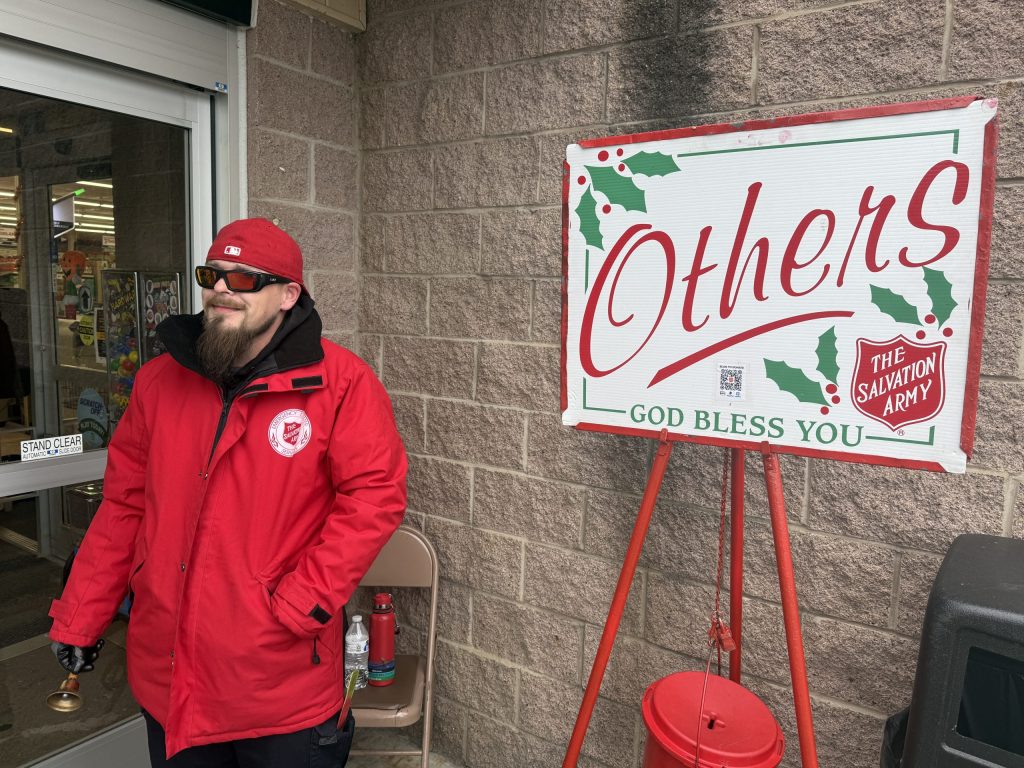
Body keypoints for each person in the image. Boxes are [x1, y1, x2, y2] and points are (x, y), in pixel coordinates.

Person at [48, 218, 408, 767]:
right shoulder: (159, 381)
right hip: (169, 680)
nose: (221, 289)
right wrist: (80, 615)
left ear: (288, 295)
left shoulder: (341, 384)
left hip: (280, 685)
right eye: (212, 275)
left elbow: (375, 498)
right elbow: (124, 506)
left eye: (243, 279)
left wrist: (303, 600)